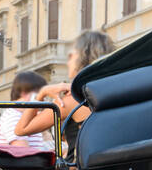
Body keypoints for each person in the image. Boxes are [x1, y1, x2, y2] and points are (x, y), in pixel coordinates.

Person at [14, 30, 116, 161]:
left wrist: (42, 93)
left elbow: (21, 129)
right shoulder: (114, 90)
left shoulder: (73, 98)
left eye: (71, 56)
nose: (67, 62)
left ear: (82, 57)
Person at [0, 71, 49, 149]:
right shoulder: (13, 116)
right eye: (40, 94)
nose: (43, 98)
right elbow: (23, 152)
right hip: (30, 160)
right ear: (24, 92)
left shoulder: (23, 116)